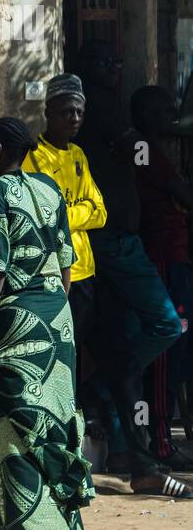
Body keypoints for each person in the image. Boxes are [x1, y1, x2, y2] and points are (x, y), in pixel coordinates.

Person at [0, 117, 94, 530]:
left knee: (9, 433)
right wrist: (56, 312)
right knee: (55, 427)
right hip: (58, 320)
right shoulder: (49, 188)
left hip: (16, 321)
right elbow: (66, 260)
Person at [75, 41, 187, 496]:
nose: (115, 65)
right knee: (165, 325)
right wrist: (133, 142)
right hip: (110, 249)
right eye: (105, 58)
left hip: (115, 248)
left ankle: (134, 455)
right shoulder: (105, 117)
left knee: (121, 348)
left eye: (118, 58)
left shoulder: (118, 132)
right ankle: (107, 392)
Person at [22, 73, 107, 395]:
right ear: (48, 113)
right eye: (66, 112)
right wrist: (76, 213)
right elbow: (41, 216)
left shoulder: (79, 155)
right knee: (53, 349)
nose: (74, 119)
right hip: (52, 274)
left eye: (79, 113)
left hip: (84, 269)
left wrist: (66, 215)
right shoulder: (34, 158)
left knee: (76, 349)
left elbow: (100, 212)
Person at [131, 86, 193, 470]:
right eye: (161, 110)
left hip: (173, 255)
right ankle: (160, 442)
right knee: (167, 352)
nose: (169, 116)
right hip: (163, 256)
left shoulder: (152, 149)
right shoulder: (146, 151)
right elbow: (183, 195)